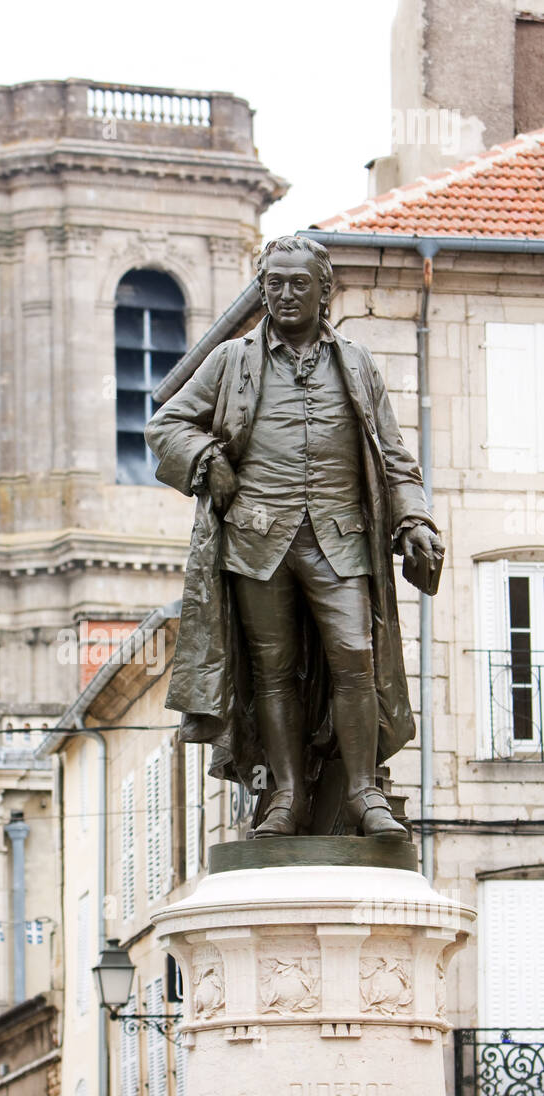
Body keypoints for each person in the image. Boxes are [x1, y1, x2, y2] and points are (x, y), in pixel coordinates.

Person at [145, 235, 444, 838]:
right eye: (273, 282)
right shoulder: (233, 360)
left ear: (323, 290)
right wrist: (208, 458)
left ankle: (363, 792)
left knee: (355, 661)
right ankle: (286, 795)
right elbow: (166, 423)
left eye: (297, 283)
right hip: (257, 542)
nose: (283, 294)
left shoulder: (356, 364)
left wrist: (414, 520)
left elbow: (393, 458)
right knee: (271, 671)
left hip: (343, 537)